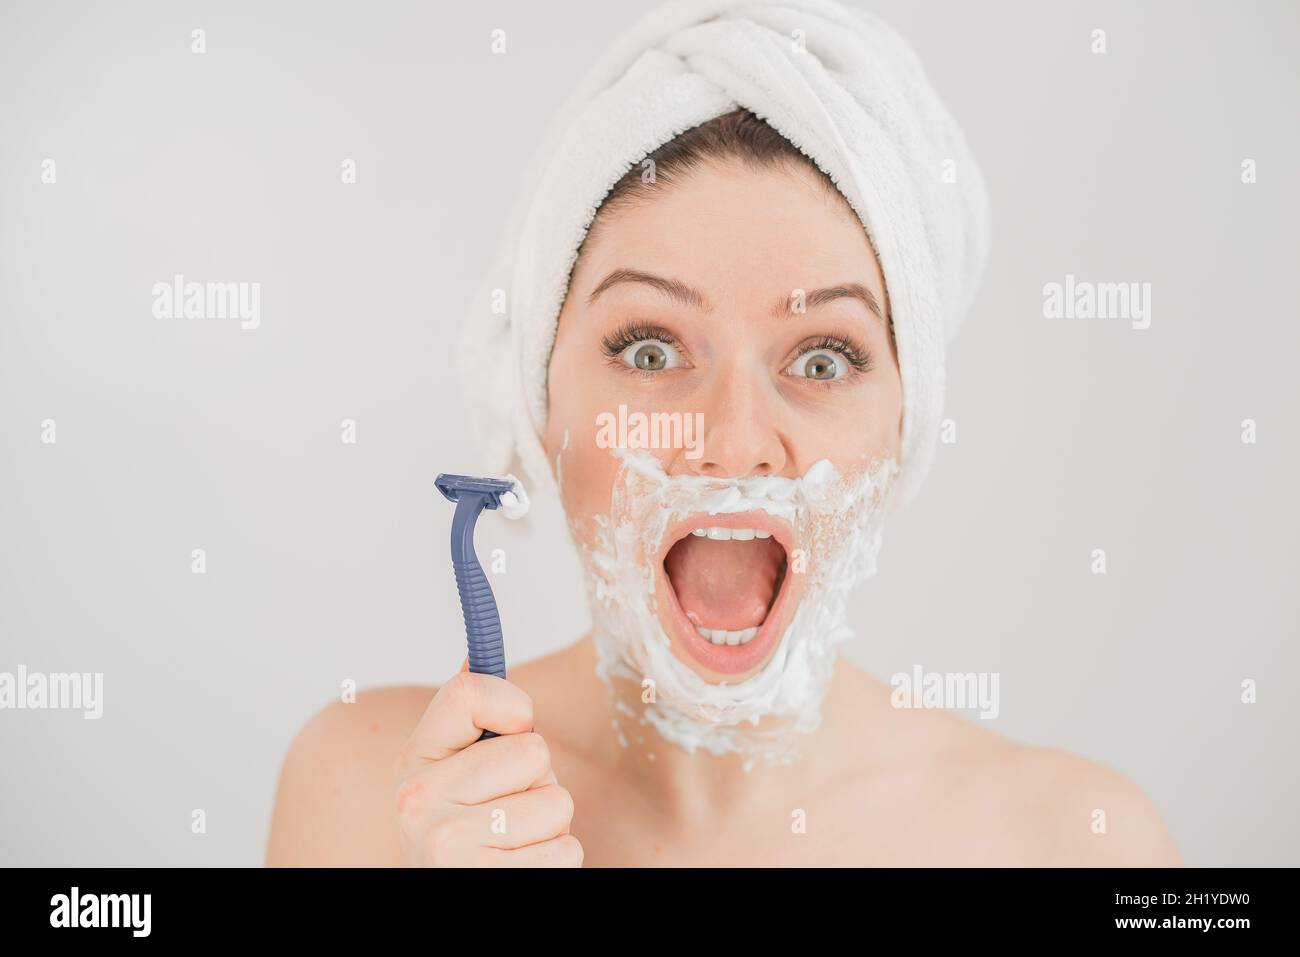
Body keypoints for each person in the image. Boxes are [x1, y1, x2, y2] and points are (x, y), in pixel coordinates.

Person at [267, 2, 1180, 867]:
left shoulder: (1081, 842)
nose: (735, 442)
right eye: (653, 349)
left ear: (907, 424)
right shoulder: (371, 796)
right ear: (542, 401)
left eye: (822, 359)